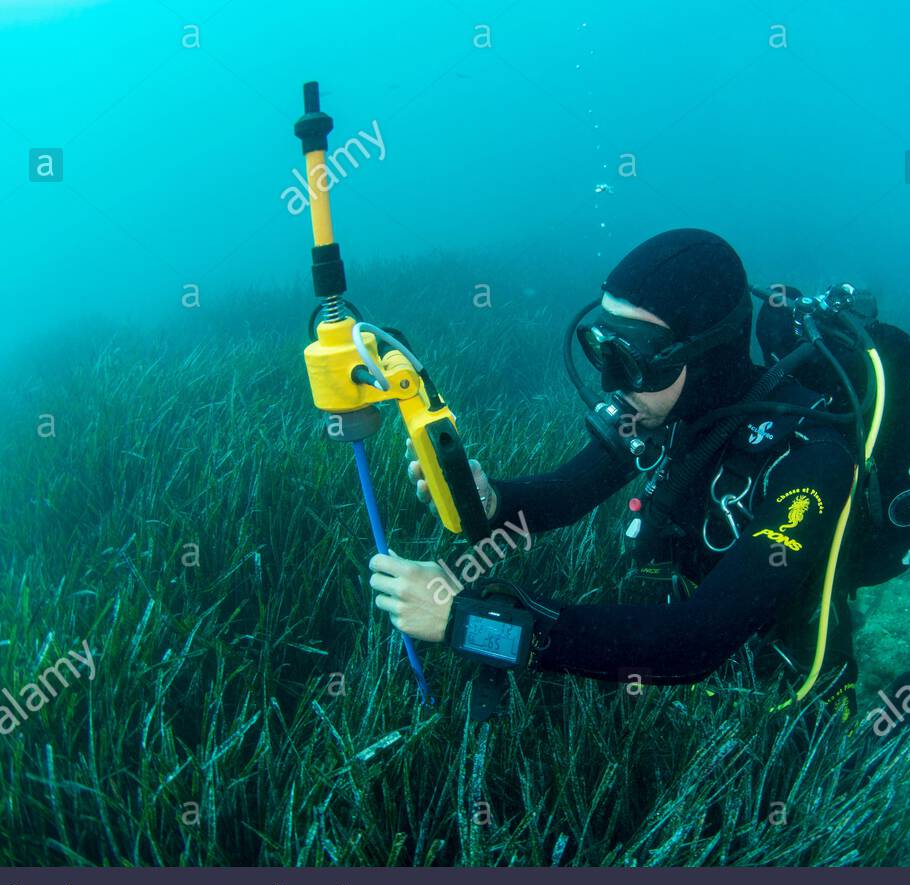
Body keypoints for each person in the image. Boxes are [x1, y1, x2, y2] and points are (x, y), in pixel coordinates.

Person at [367, 228, 864, 718]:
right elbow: (564, 497)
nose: (610, 380)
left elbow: (697, 642)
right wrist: (493, 501)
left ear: (708, 355)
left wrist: (468, 622)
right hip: (672, 651)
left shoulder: (813, 459)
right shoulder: (659, 407)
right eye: (603, 346)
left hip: (777, 686)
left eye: (634, 356)